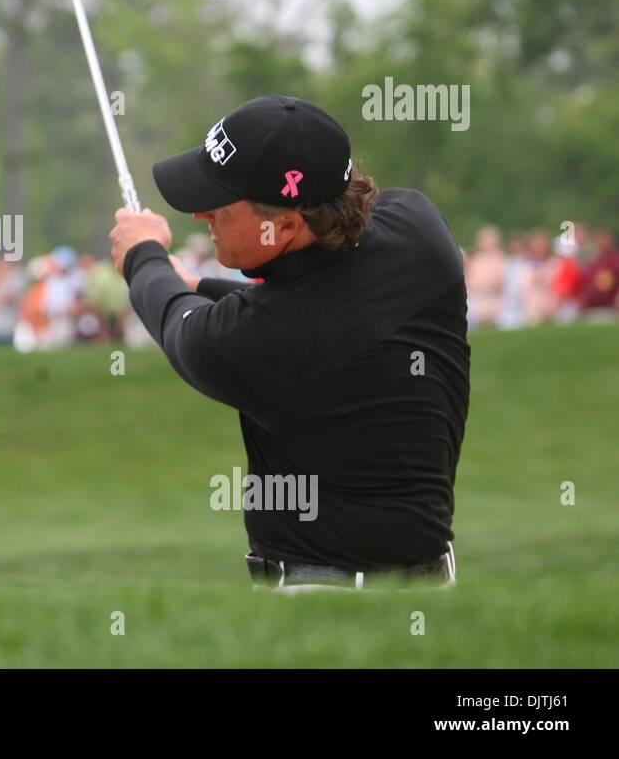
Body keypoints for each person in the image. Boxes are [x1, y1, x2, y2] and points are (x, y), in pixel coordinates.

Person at [110, 95, 468, 590]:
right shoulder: (419, 228)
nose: (201, 216)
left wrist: (143, 258)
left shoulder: (245, 342)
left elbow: (182, 327)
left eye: (220, 204)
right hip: (429, 583)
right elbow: (328, 304)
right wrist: (200, 286)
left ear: (285, 225)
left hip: (321, 598)